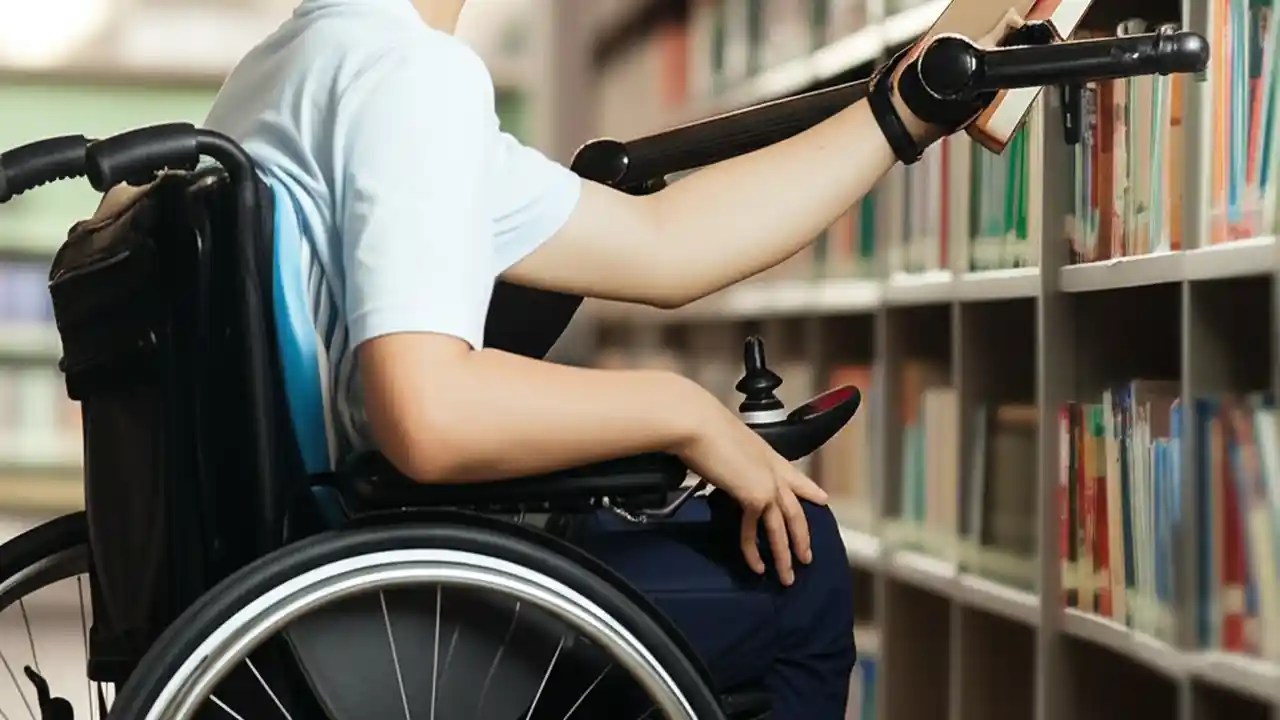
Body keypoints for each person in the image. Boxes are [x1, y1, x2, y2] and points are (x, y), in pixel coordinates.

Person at [181, 0, 1022, 716]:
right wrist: (684, 412)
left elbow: (668, 245)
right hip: (380, 615)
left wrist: (901, 111)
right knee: (801, 573)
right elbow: (427, 414)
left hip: (282, 591)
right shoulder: (410, 78)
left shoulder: (284, 71)